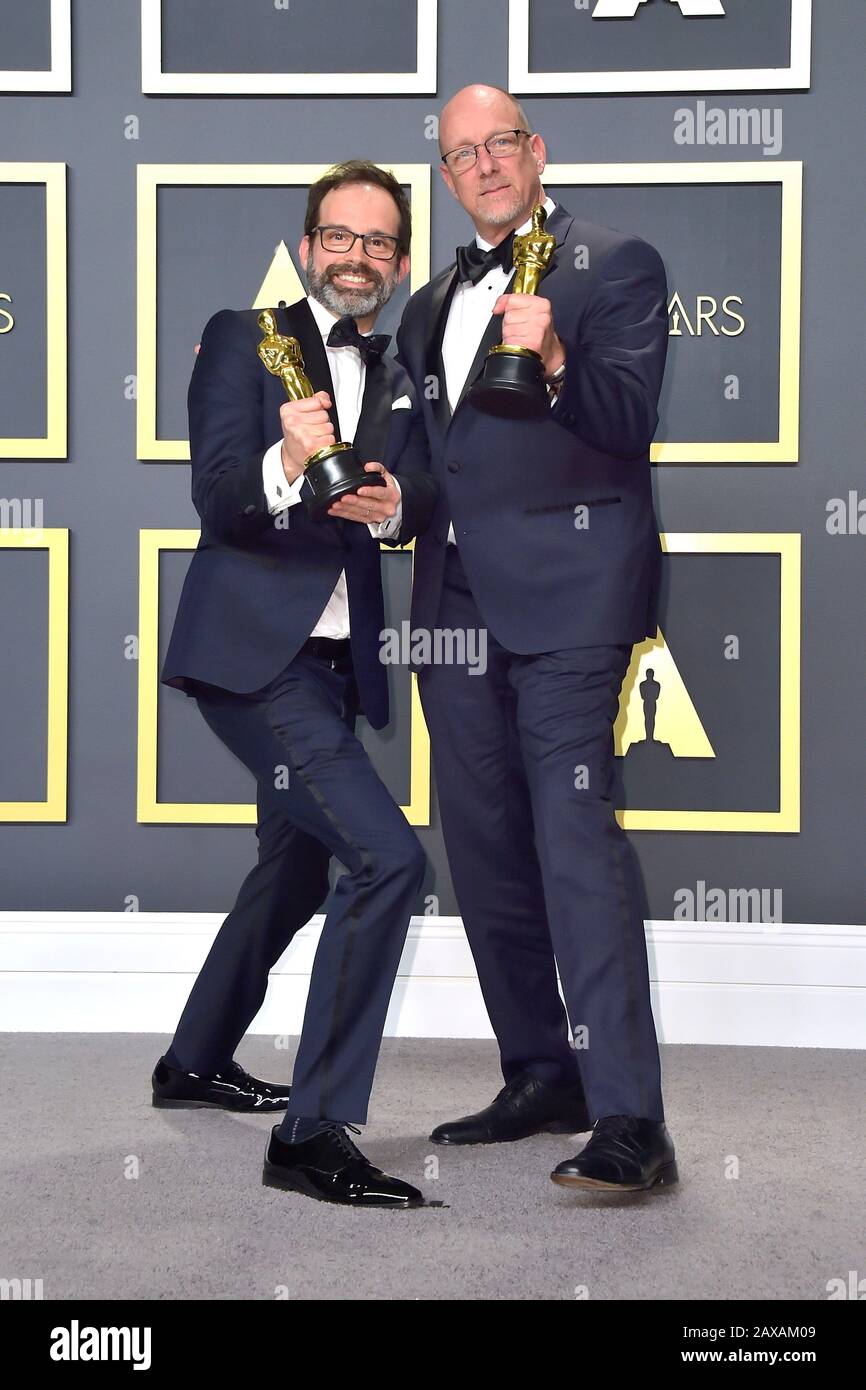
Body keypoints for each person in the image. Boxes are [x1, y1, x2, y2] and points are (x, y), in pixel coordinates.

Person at [389, 85, 677, 1192]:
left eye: (498, 142)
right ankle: (538, 1072)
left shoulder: (617, 262)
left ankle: (627, 1120)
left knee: (572, 842)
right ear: (449, 178)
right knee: (486, 847)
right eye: (460, 154)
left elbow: (625, 421)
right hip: (451, 609)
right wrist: (383, 499)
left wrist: (554, 361)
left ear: (535, 150)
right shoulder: (425, 306)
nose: (484, 165)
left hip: (568, 598)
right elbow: (430, 466)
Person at [153, 160, 438, 1208]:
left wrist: (398, 504)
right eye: (338, 235)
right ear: (308, 242)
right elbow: (220, 498)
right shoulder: (243, 335)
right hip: (252, 656)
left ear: (397, 262)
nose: (355, 256)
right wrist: (285, 459)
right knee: (387, 859)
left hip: (331, 663)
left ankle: (192, 1058)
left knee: (297, 868)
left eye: (376, 242)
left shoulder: (402, 361)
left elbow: (419, 493)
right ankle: (312, 1133)